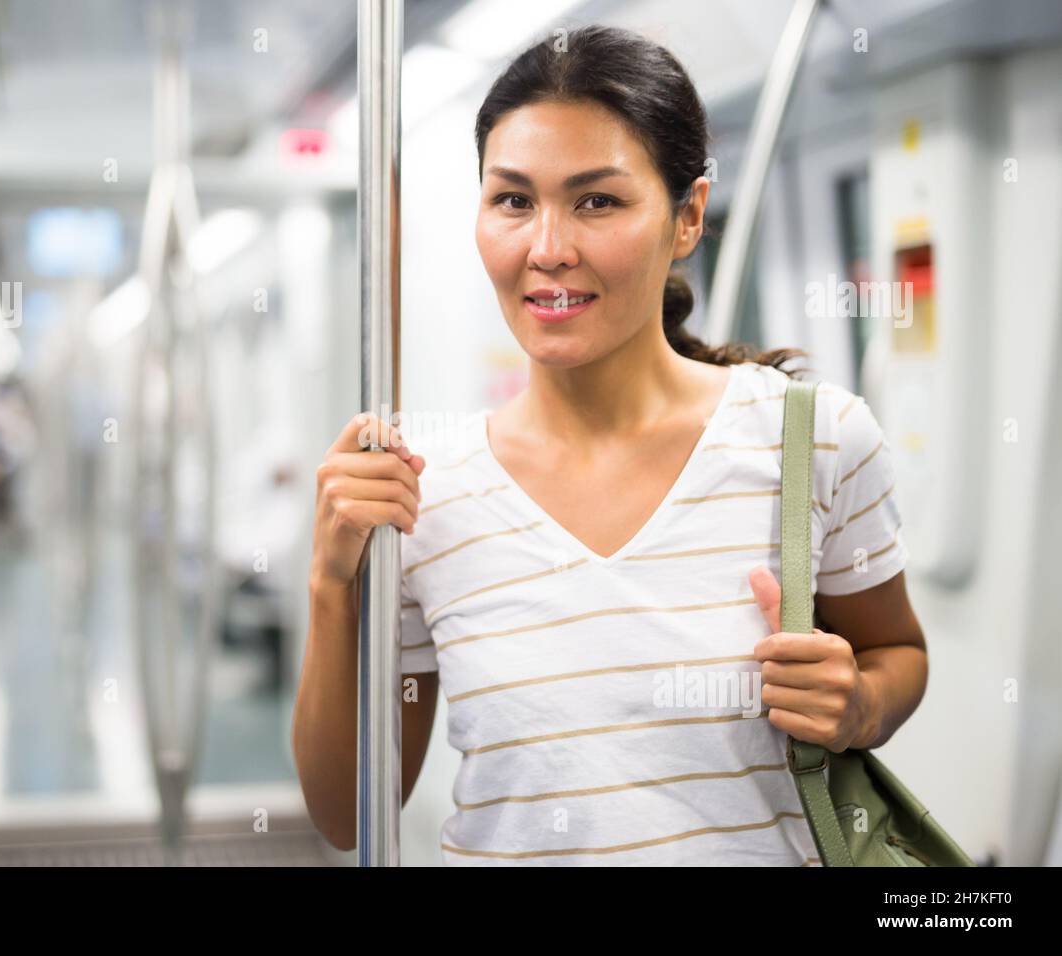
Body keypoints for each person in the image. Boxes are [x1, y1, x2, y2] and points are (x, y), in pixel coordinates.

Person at [293, 25, 926, 865]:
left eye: (597, 200)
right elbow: (348, 813)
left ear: (688, 216)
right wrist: (332, 585)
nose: (548, 248)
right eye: (513, 200)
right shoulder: (424, 488)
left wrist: (859, 707)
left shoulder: (815, 440)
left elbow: (896, 654)